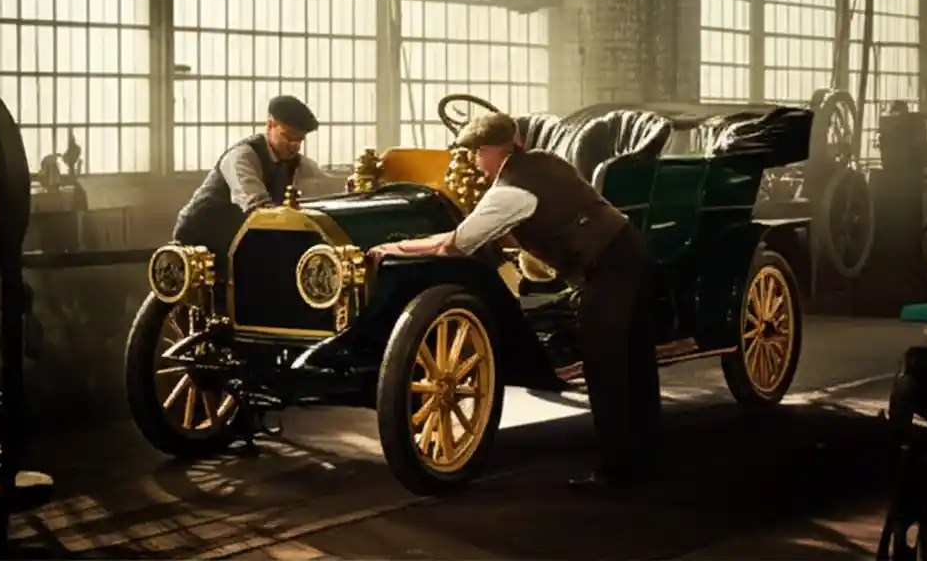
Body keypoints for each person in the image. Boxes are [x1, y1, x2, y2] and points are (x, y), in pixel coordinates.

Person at [366, 112, 662, 492]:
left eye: (476, 154)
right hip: (628, 250)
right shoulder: (545, 162)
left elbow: (456, 244)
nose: (474, 163)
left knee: (606, 368)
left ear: (494, 151)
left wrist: (396, 247)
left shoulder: (509, 191)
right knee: (635, 363)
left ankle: (618, 474)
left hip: (604, 268)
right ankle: (646, 461)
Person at [172, 95, 339, 279]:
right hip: (200, 238)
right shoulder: (242, 157)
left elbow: (328, 184)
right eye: (288, 137)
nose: (294, 146)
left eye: (299, 140)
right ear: (270, 125)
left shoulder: (295, 161)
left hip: (237, 241)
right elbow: (259, 209)